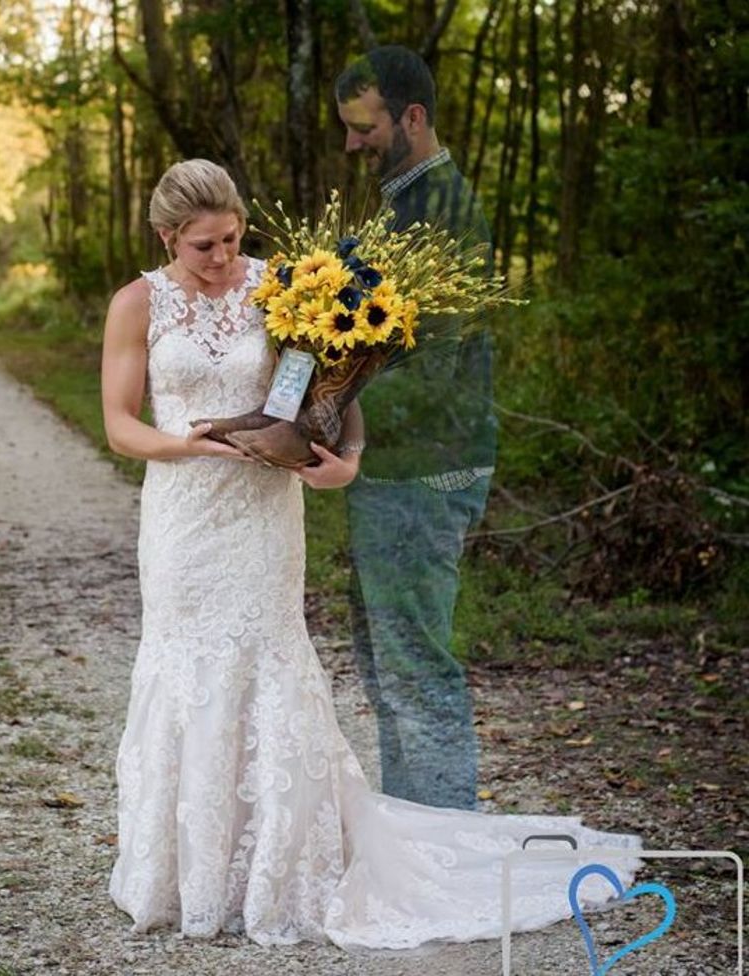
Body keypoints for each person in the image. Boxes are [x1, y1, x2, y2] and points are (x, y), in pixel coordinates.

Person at [101, 158, 637, 949]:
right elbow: (121, 424)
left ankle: (283, 865)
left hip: (264, 518)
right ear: (166, 236)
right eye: (204, 246)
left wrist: (345, 462)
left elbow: (339, 391)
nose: (222, 259)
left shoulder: (285, 288)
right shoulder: (137, 302)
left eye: (233, 239)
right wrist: (200, 450)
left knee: (269, 657)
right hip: (184, 517)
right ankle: (188, 872)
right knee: (186, 665)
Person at [334, 46, 496, 810]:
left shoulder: (447, 212)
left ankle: (448, 853)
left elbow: (434, 370)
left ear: (413, 117)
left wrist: (324, 417)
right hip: (388, 469)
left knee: (414, 670)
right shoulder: (401, 203)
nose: (352, 143)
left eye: (363, 127)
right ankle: (413, 841)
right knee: (385, 668)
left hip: (426, 471)